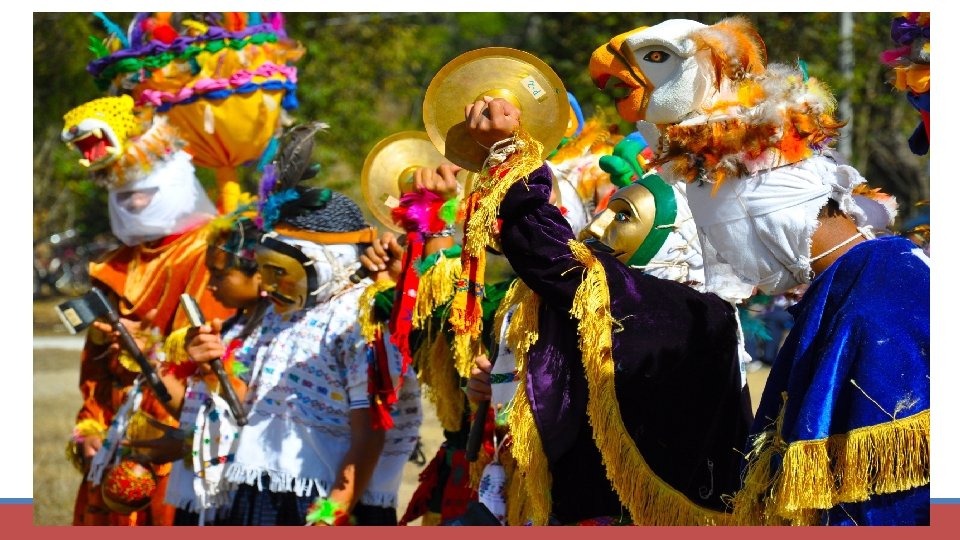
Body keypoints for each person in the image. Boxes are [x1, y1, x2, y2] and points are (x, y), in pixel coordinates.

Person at [588, 17, 929, 525]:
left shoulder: (876, 305)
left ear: (768, 219)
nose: (728, 257)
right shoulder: (855, 287)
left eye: (722, 235)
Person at [451, 95, 750, 525]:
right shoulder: (647, 303)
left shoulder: (686, 310)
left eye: (623, 216)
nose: (596, 225)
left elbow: (553, 259)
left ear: (677, 232)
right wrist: (510, 383)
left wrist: (511, 151)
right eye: (608, 210)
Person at [186, 131, 422, 525]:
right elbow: (245, 402)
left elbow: (370, 433)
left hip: (326, 501)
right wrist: (214, 367)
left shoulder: (358, 318)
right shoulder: (278, 313)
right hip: (256, 490)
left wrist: (332, 514)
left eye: (282, 271)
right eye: (265, 269)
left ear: (327, 262)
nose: (267, 285)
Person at [61, 97, 233, 526]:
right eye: (123, 195)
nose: (135, 204)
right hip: (115, 453)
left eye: (145, 191)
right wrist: (90, 427)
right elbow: (95, 367)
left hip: (179, 446)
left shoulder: (216, 257)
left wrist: (150, 350)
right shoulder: (114, 266)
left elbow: (221, 370)